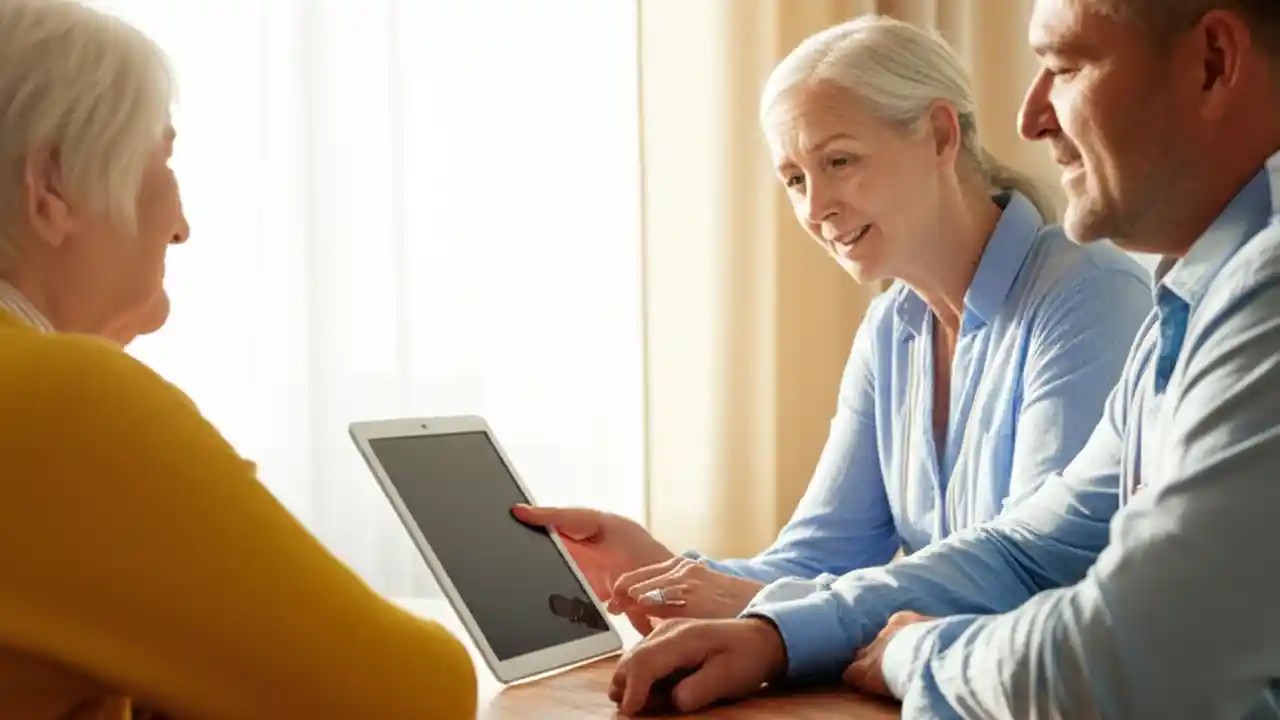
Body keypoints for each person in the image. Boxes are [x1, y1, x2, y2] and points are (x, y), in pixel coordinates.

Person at [609, 0, 1280, 717]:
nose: (1030, 118)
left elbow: (1107, 641)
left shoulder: (1157, 292)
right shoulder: (1183, 309)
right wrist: (752, 622)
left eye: (1064, 67)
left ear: (1213, 62)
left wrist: (907, 649)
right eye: (796, 178)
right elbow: (1022, 550)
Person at [515, 14, 1151, 632]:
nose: (816, 207)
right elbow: (819, 558)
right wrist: (659, 569)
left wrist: (767, 608)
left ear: (939, 135)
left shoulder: (1090, 293)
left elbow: (1033, 573)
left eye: (840, 161)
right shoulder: (890, 330)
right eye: (794, 179)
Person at [0, 1, 476, 717]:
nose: (182, 227)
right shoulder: (62, 401)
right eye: (162, 162)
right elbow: (415, 696)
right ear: (52, 187)